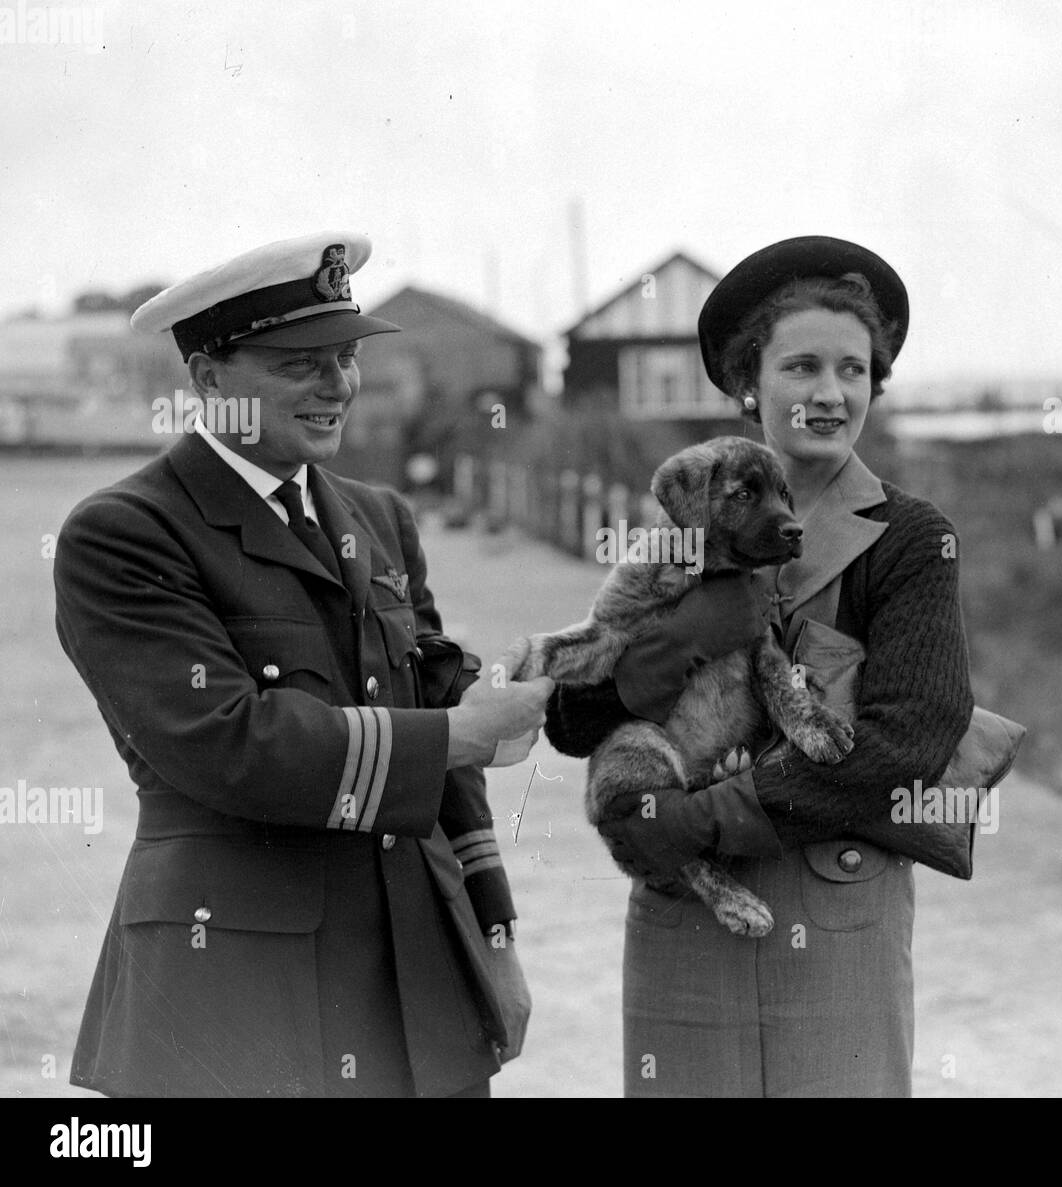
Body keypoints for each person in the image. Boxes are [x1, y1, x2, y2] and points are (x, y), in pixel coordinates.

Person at [53, 231, 554, 1097]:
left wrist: (495, 938)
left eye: (347, 356)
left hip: (417, 984)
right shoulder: (127, 533)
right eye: (301, 363)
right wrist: (460, 732)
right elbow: (230, 744)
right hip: (236, 994)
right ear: (209, 378)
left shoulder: (379, 517)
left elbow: (448, 755)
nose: (339, 385)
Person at [544, 235, 1008, 1097]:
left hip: (837, 918)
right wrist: (676, 643)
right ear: (747, 382)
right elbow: (570, 721)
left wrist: (701, 819)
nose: (831, 393)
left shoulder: (909, 538)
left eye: (854, 370)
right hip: (687, 921)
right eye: (802, 367)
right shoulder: (681, 529)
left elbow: (911, 737)